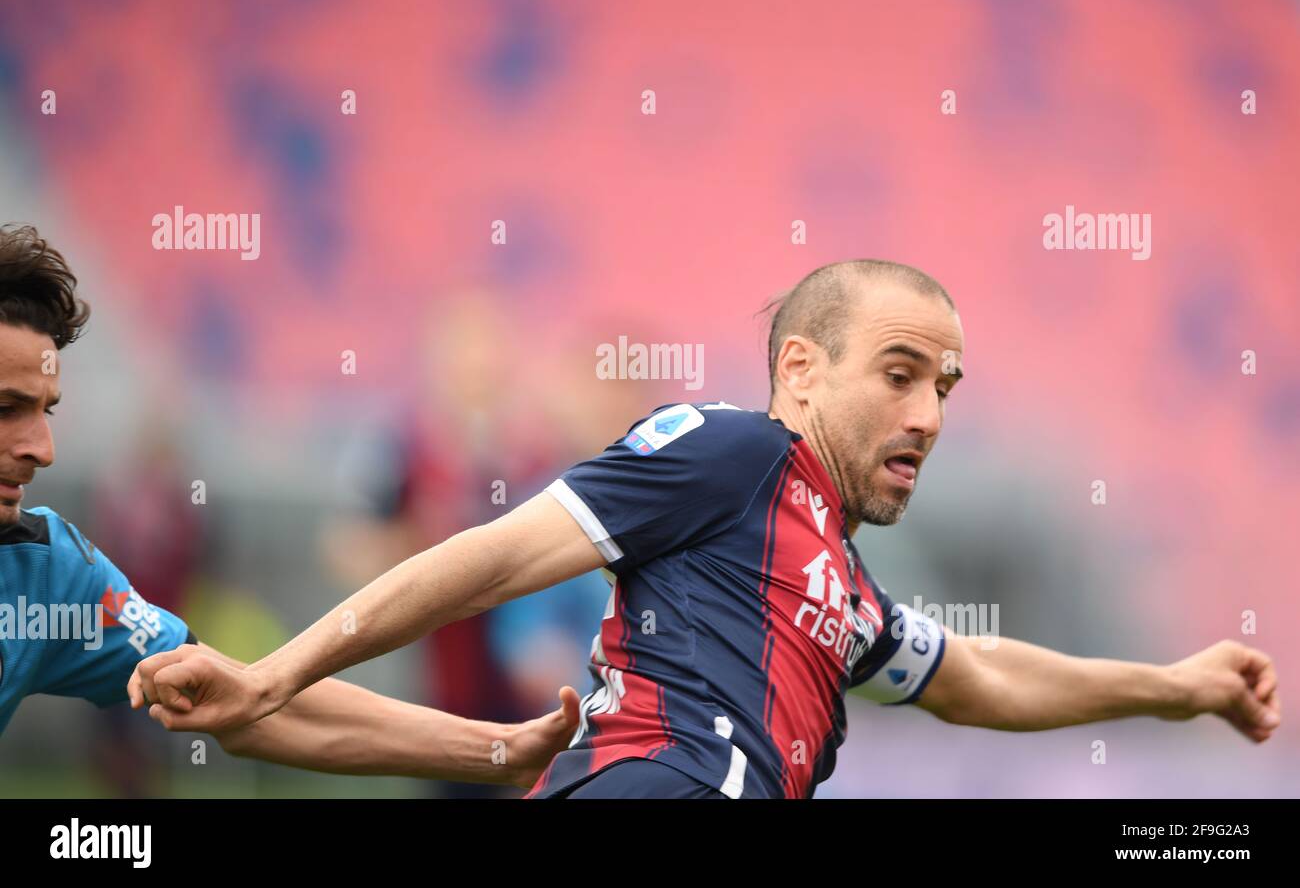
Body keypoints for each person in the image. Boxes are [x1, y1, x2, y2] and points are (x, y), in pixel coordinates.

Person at [134, 260, 1282, 798]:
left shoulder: (837, 579)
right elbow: (485, 559)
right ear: (799, 366)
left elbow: (978, 673)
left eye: (947, 385)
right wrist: (275, 676)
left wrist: (1173, 685)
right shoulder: (731, 450)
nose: (929, 414)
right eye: (899, 373)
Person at [0, 223, 577, 789]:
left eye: (45, 412)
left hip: (508, 697)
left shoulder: (50, 575)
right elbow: (351, 545)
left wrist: (502, 750)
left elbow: (245, 699)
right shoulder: (409, 447)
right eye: (7, 407)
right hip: (447, 681)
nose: (42, 450)